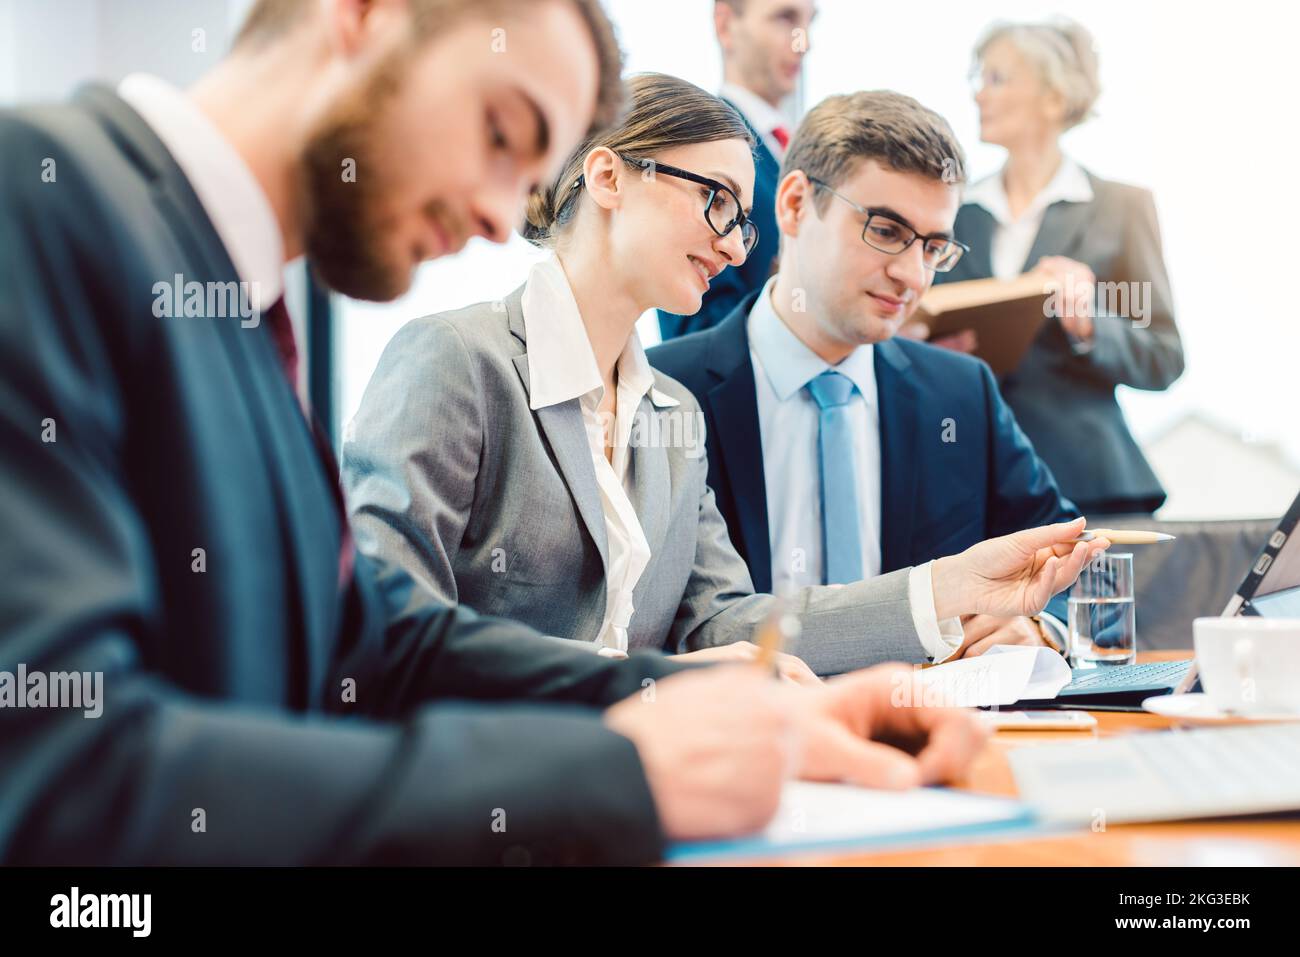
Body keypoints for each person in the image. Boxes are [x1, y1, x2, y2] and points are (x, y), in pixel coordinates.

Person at [0, 0, 1098, 865]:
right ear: (366, 12)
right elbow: (56, 775)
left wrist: (731, 702)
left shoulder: (233, 306)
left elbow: (377, 643)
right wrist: (620, 774)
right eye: (504, 133)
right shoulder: (38, 203)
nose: (497, 212)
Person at [341, 73, 1107, 678]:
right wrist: (653, 684)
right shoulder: (455, 360)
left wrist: (942, 590)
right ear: (607, 176)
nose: (738, 249)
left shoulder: (669, 410)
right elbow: (384, 627)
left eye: (742, 218)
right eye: (716, 201)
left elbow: (724, 624)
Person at [649, 90, 1082, 658]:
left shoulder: (962, 394)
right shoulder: (660, 392)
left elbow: (1068, 554)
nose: (911, 275)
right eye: (885, 231)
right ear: (796, 205)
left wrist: (1039, 627)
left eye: (933, 247)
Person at [926, 17, 1183, 516]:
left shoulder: (1121, 208)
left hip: (1088, 485)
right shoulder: (949, 213)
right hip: (965, 484)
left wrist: (1089, 325)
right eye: (978, 80)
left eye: (997, 79)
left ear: (1053, 97)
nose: (980, 95)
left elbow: (1165, 356)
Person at [657, 0, 816, 341]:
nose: (804, 42)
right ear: (726, 25)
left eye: (809, 21)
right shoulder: (696, 145)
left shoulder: (801, 150)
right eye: (785, 17)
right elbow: (693, 326)